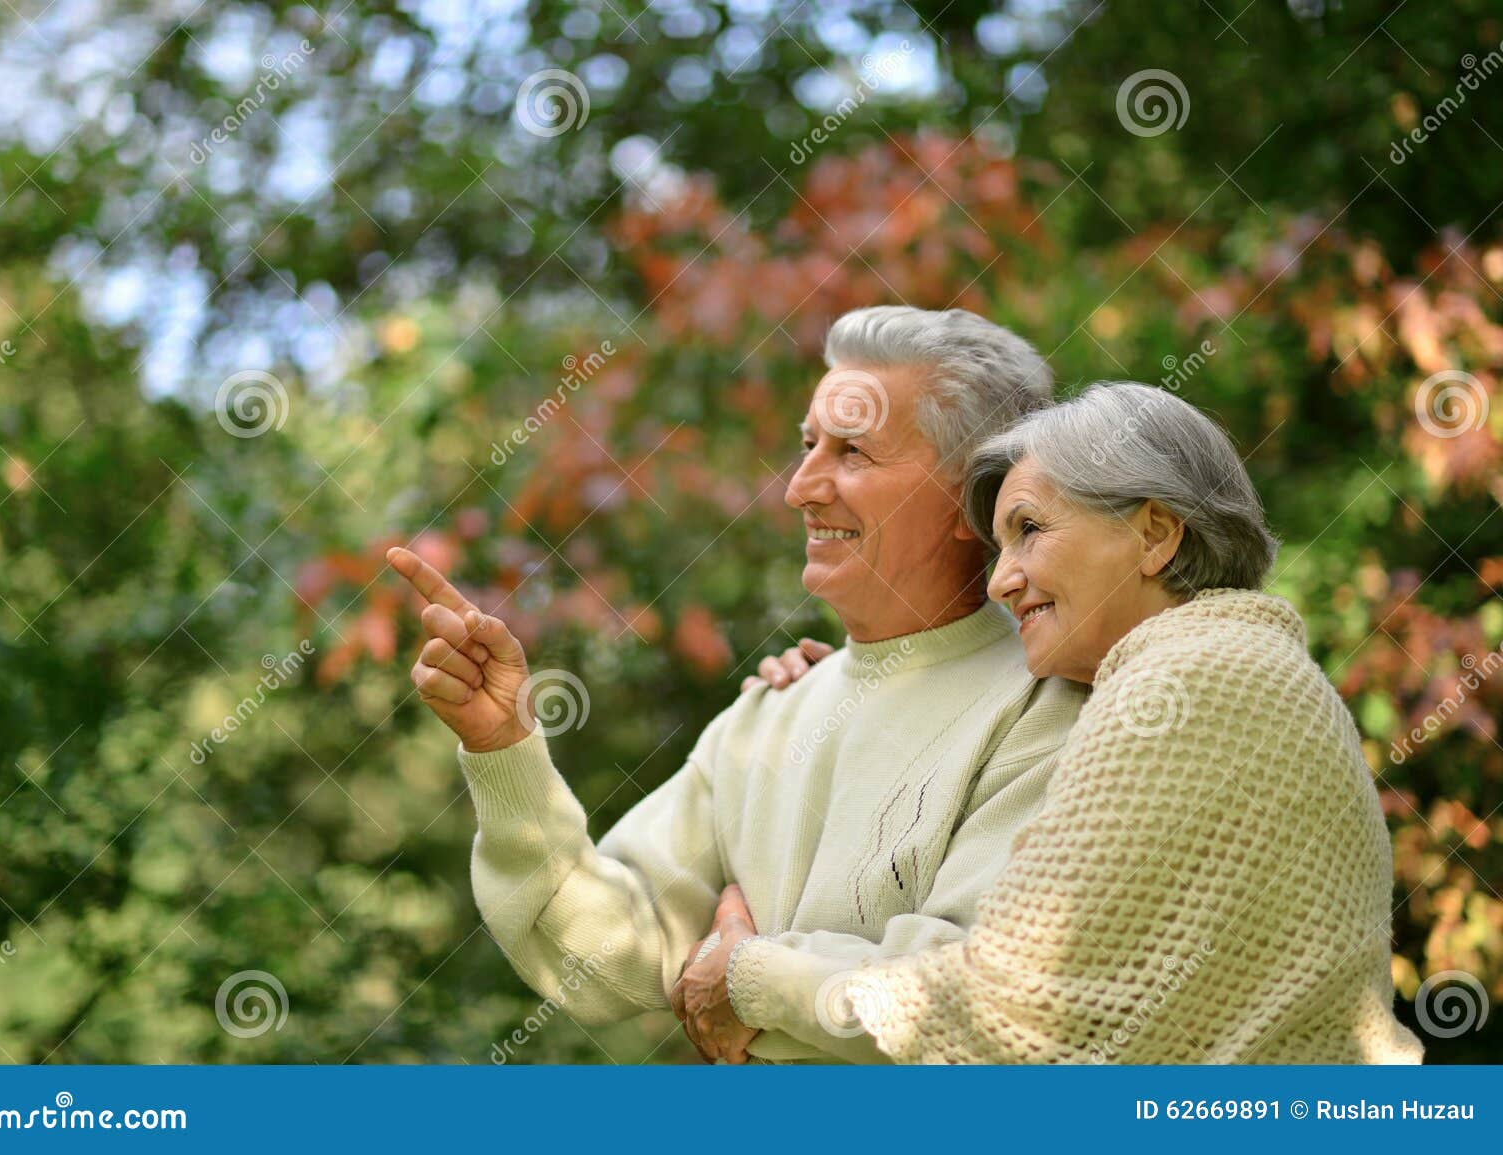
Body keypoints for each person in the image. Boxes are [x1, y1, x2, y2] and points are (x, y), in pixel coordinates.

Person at [386, 306, 1088, 1063]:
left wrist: (746, 973)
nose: (801, 488)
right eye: (807, 445)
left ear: (974, 498)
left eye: (852, 452)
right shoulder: (765, 715)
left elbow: (977, 1006)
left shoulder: (1053, 706)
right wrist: (505, 750)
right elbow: (601, 959)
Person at [739, 381, 1424, 1063]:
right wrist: (854, 692)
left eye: (1029, 530)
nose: (1000, 580)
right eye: (1000, 546)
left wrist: (753, 978)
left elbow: (1008, 1011)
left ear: (1153, 533)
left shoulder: (1188, 683)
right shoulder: (1229, 670)